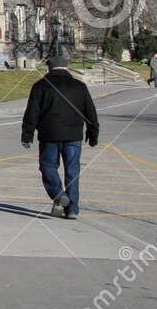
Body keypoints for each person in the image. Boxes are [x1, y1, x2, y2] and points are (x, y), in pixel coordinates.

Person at [21, 56, 101, 219]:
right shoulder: (79, 86)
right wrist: (93, 133)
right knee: (72, 170)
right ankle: (72, 209)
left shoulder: (40, 86)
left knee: (48, 166)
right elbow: (90, 112)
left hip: (49, 134)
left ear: (49, 68)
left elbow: (32, 112)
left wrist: (27, 134)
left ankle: (58, 194)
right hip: (74, 135)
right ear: (67, 67)